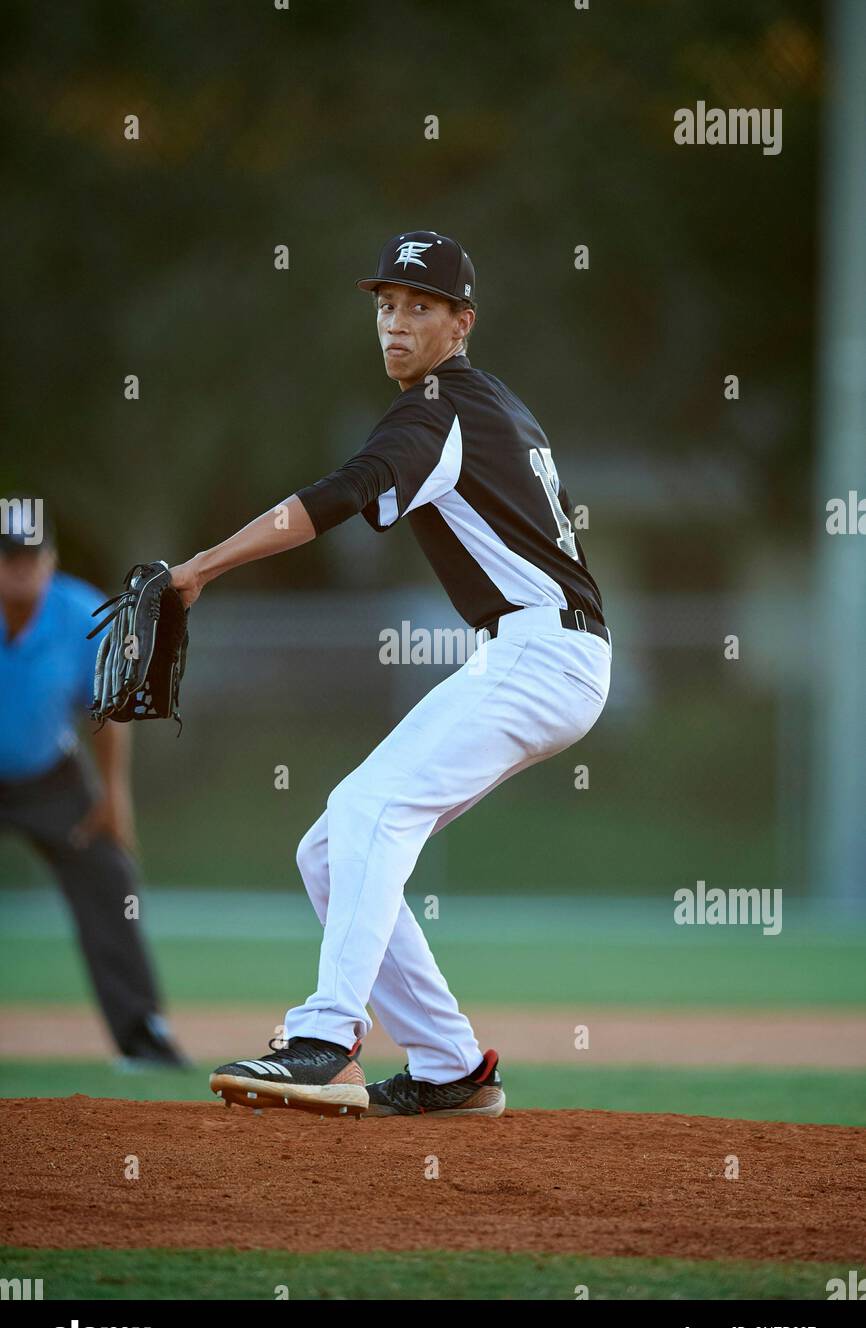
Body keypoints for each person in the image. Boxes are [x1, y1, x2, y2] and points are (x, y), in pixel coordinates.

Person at [170, 230, 611, 1117]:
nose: (396, 324)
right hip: (544, 650)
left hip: (543, 651)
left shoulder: (437, 407)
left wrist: (197, 570)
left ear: (461, 322)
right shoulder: (482, 404)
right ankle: (448, 1065)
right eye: (385, 306)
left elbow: (337, 497)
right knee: (333, 848)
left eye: (419, 307)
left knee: (371, 810)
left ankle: (324, 1037)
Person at [0, 510, 189, 1068]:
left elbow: (106, 711)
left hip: (48, 778)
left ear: (51, 560)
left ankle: (142, 1033)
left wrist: (112, 795)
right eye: (8, 557)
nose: (20, 569)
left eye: (31, 556)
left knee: (108, 873)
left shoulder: (81, 614)